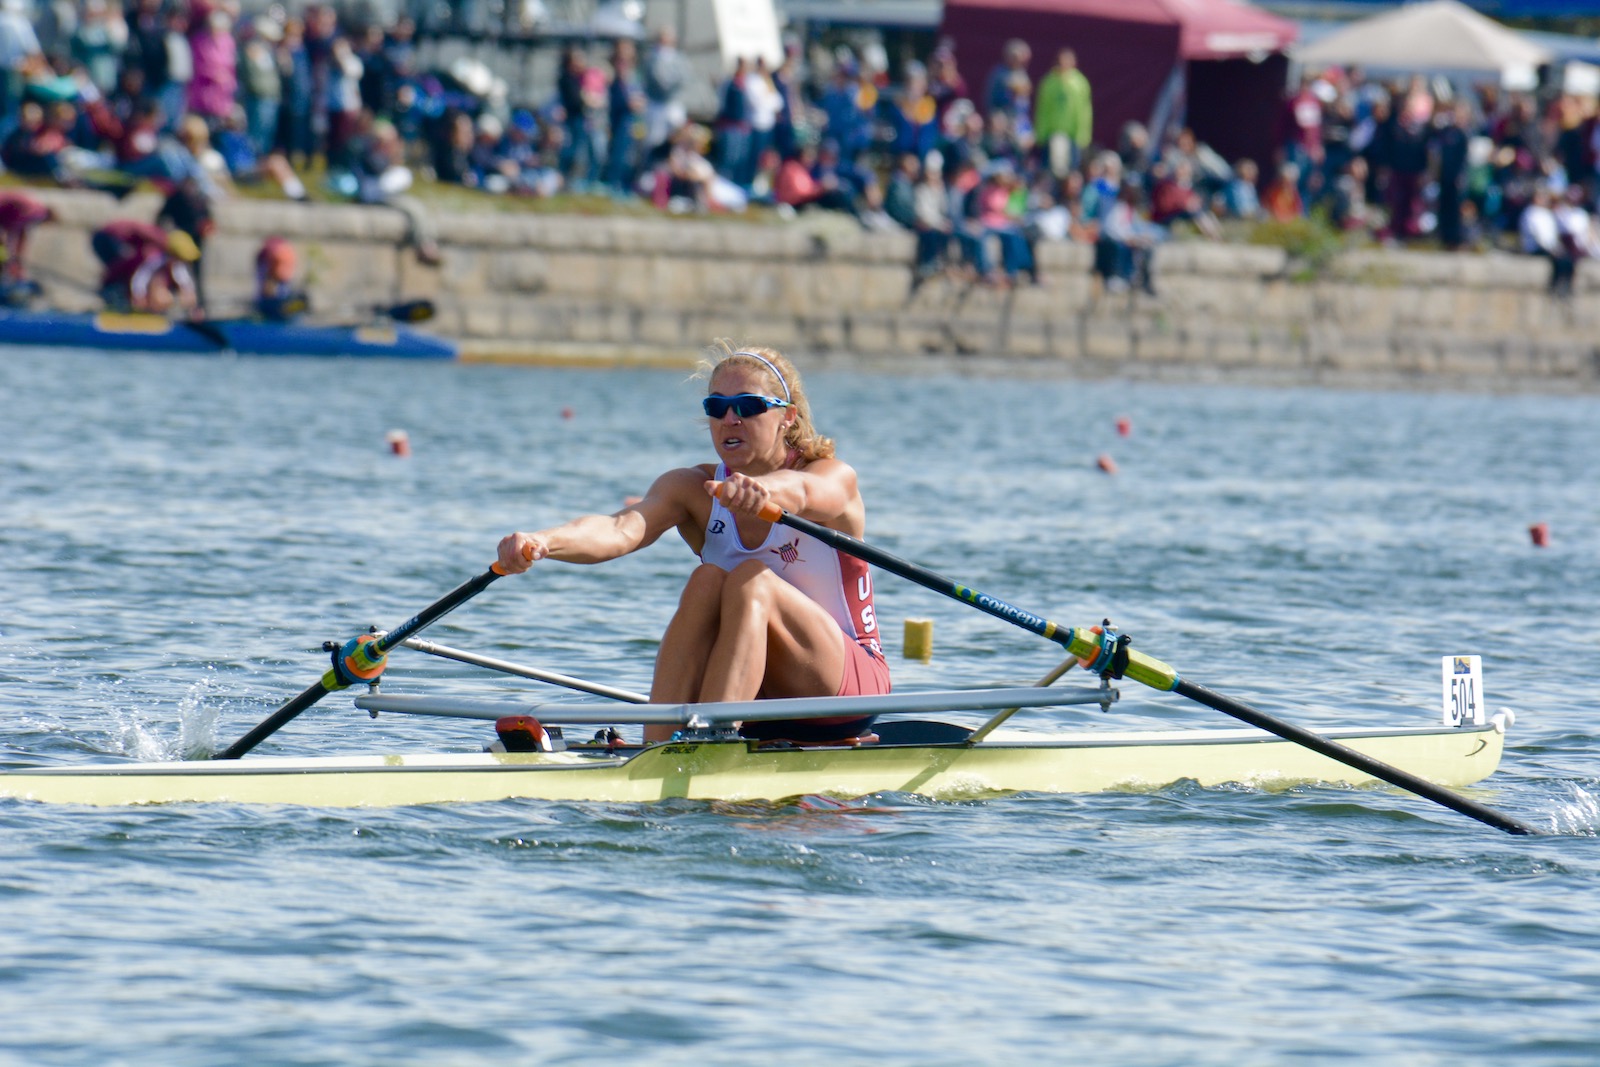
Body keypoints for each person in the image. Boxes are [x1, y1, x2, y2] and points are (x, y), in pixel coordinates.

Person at [495, 343, 889, 745]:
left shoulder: (834, 477)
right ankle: (657, 748)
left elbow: (805, 491)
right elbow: (619, 530)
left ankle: (711, 739)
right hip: (757, 699)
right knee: (707, 580)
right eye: (717, 407)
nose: (730, 419)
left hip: (846, 692)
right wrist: (543, 541)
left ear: (787, 416)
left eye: (748, 406)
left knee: (754, 579)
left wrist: (764, 491)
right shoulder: (693, 488)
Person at [91, 219, 201, 315]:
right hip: (109, 240)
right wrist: (138, 295)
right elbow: (141, 276)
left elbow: (184, 280)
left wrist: (190, 298)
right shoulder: (155, 255)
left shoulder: (174, 262)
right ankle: (116, 299)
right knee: (128, 270)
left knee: (164, 289)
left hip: (121, 246)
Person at [0, 188, 52, 305]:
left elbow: (20, 234)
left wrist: (16, 258)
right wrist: (13, 258)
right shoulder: (38, 211)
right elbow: (14, 232)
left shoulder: (27, 210)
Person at [254, 234, 306, 319]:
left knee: (280, 296)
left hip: (277, 299)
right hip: (273, 298)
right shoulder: (270, 257)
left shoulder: (282, 254)